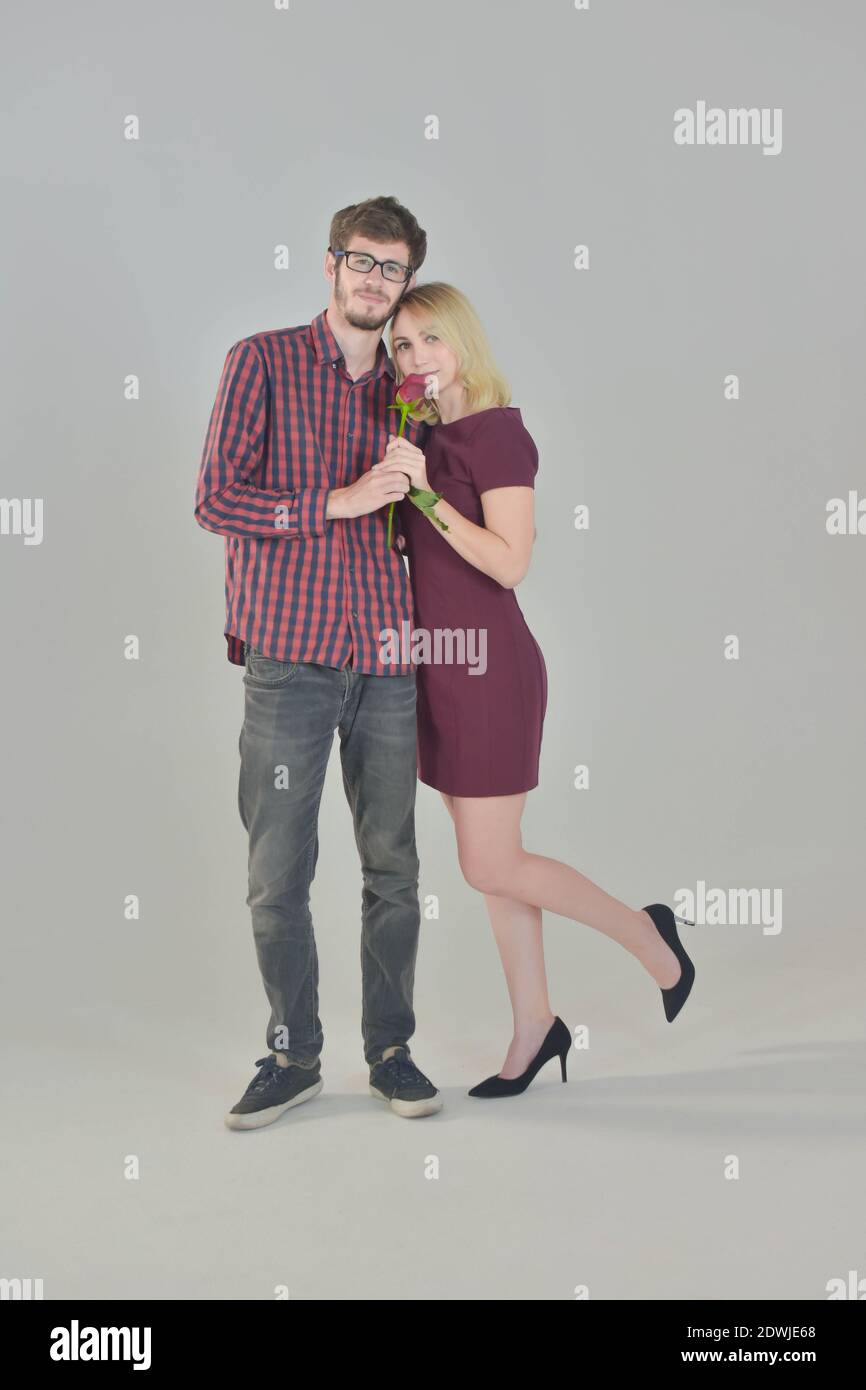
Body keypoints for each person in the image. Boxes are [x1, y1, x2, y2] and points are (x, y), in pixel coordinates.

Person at [373, 283, 696, 1099]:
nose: (416, 360)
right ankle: (534, 1025)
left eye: (431, 341)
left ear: (464, 345)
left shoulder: (497, 435)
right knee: (495, 867)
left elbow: (511, 562)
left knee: (491, 861)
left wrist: (420, 495)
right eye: (402, 347)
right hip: (431, 666)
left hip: (488, 668)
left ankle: (650, 937)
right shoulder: (418, 438)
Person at [194, 196, 444, 1128]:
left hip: (387, 657)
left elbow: (443, 525)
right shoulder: (259, 360)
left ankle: (392, 1051)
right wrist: (333, 502)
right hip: (288, 662)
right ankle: (294, 1054)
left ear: (407, 281)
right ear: (330, 265)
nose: (375, 281)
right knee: (277, 873)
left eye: (393, 268)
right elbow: (216, 499)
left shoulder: (413, 388)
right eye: (361, 261)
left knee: (394, 865)